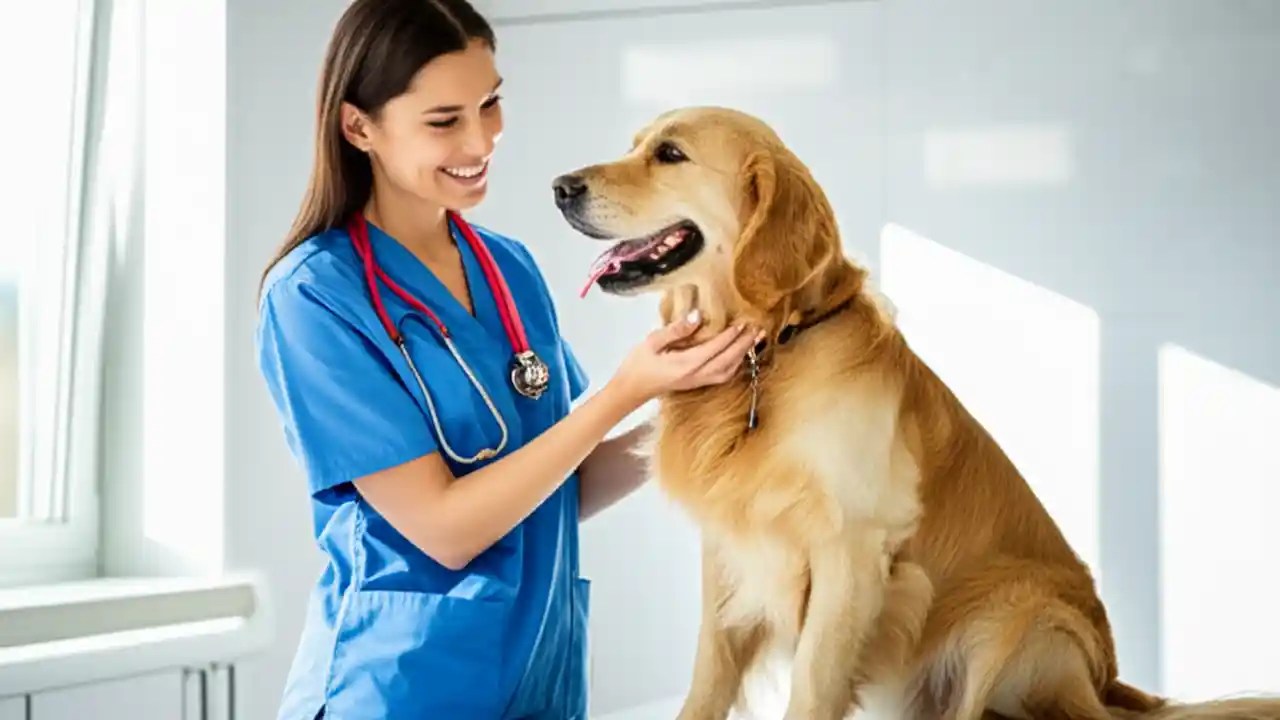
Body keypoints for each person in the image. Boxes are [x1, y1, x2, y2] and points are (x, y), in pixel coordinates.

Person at [254, 1, 761, 718]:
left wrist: (706, 403)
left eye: (490, 103)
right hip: (402, 691)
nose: (481, 137)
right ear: (358, 126)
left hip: (541, 682)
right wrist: (624, 391)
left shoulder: (508, 269)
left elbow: (560, 487)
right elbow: (448, 529)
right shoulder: (313, 298)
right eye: (444, 120)